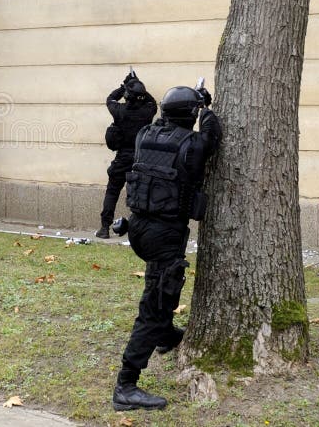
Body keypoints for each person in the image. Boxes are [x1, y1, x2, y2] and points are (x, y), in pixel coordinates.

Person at [111, 84, 222, 411]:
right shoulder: (192, 144)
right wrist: (206, 107)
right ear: (189, 115)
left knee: (158, 290)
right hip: (164, 233)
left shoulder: (145, 134)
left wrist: (193, 105)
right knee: (156, 304)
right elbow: (212, 135)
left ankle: (166, 335)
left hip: (138, 228)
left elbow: (172, 128)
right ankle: (126, 385)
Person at [96, 72, 157, 239]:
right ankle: (142, 231)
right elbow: (152, 101)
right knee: (142, 194)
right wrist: (138, 85)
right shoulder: (147, 112)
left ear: (127, 96)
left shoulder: (119, 111)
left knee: (112, 191)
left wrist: (124, 86)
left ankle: (104, 228)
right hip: (141, 158)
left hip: (123, 157)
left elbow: (110, 99)